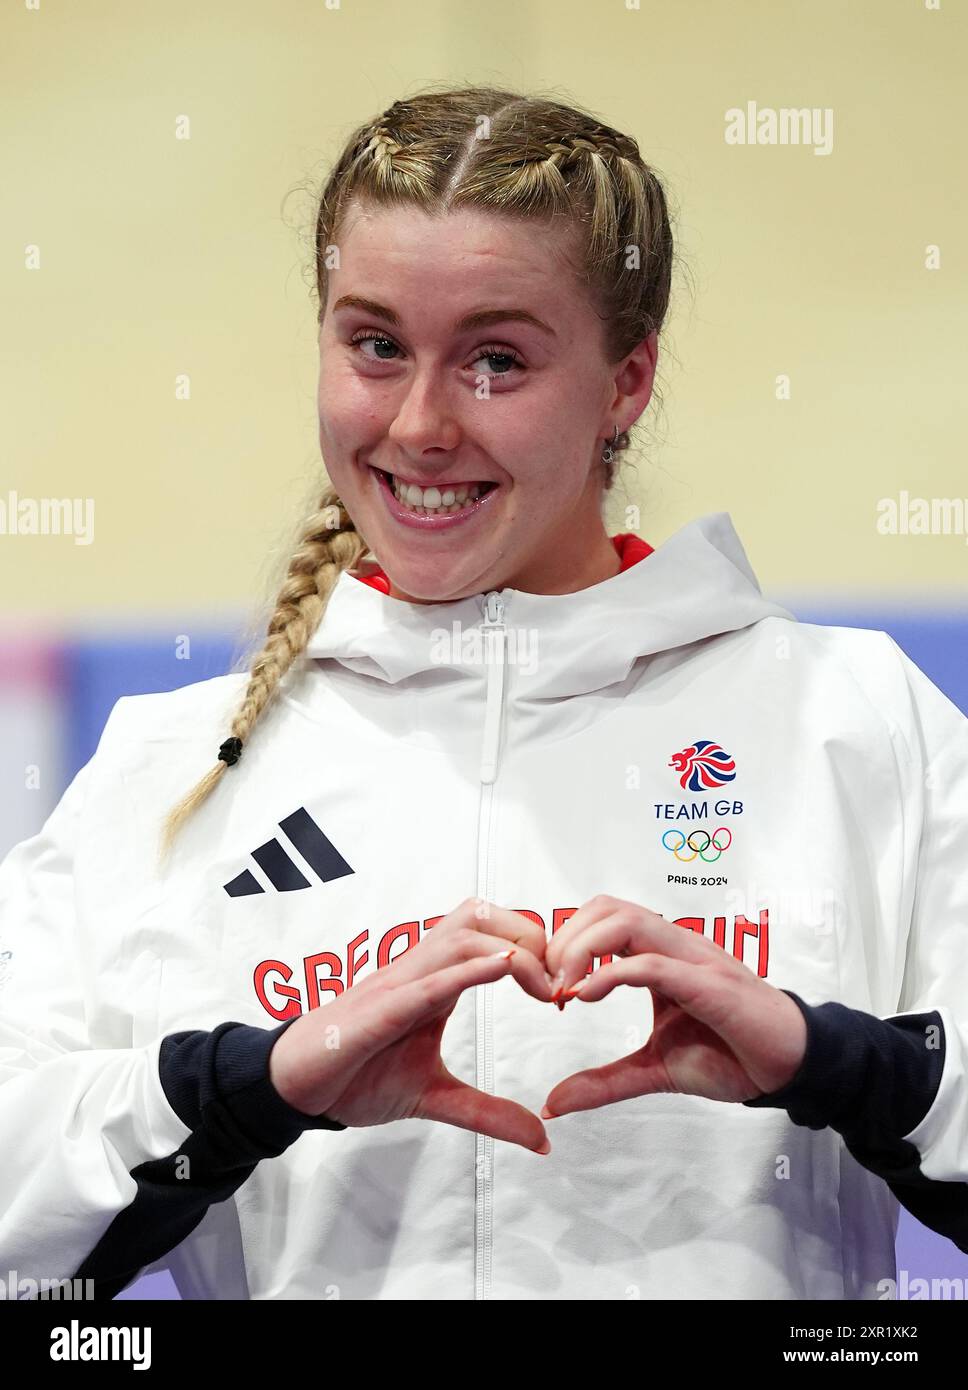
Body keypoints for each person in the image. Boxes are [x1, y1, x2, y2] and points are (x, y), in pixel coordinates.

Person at [1, 84, 967, 1303]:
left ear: (625, 383)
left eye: (495, 359)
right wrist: (255, 1086)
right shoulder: (172, 765)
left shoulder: (852, 722)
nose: (417, 423)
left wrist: (841, 1066)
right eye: (374, 345)